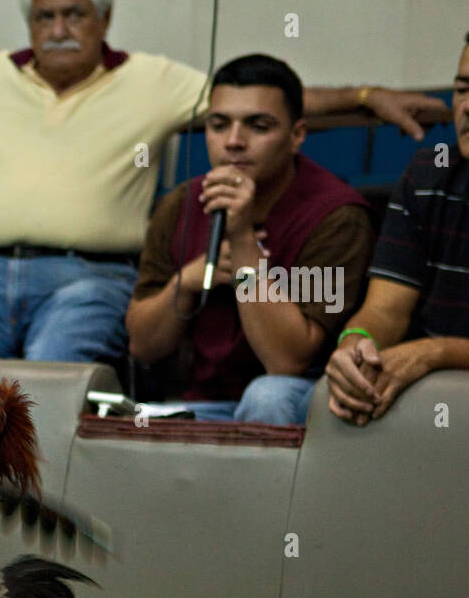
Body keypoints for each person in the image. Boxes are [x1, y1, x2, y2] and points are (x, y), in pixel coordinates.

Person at [0, 0, 445, 364]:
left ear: (104, 18)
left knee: (53, 387)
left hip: (91, 279)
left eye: (74, 13)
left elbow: (260, 106)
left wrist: (362, 98)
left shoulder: (153, 80)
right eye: (45, 14)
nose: (58, 27)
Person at [125, 54, 375, 425]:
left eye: (258, 126)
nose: (234, 142)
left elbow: (288, 360)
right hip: (202, 402)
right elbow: (143, 345)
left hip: (297, 400)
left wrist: (243, 242)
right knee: (128, 421)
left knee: (266, 397)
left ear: (297, 136)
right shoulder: (181, 204)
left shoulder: (337, 216)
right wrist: (188, 281)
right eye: (219, 124)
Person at [326, 18, 469, 426]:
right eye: (461, 88)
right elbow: (385, 311)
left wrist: (437, 353)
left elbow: (428, 352)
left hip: (455, 386)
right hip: (436, 404)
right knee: (332, 401)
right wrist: (355, 344)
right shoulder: (428, 175)